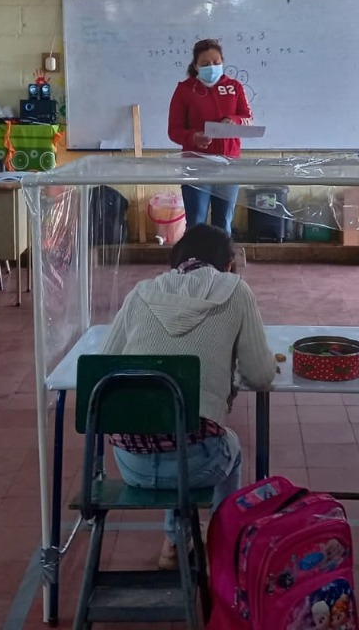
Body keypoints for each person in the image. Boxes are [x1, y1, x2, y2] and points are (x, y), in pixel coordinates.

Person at [99, 224, 276, 569]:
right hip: (197, 464)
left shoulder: (141, 292)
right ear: (228, 264)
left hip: (129, 462)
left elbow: (106, 366)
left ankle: (176, 542)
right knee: (224, 443)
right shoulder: (236, 291)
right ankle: (221, 546)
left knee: (169, 422)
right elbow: (261, 375)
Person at [167, 38, 254, 235]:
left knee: (223, 223)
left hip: (228, 164)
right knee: (196, 223)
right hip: (196, 164)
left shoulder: (234, 87)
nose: (212, 67)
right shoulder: (185, 90)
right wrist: (193, 137)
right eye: (205, 64)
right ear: (196, 66)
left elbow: (248, 118)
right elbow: (174, 130)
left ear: (223, 61)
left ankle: (222, 264)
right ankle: (193, 263)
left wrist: (234, 120)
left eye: (216, 63)